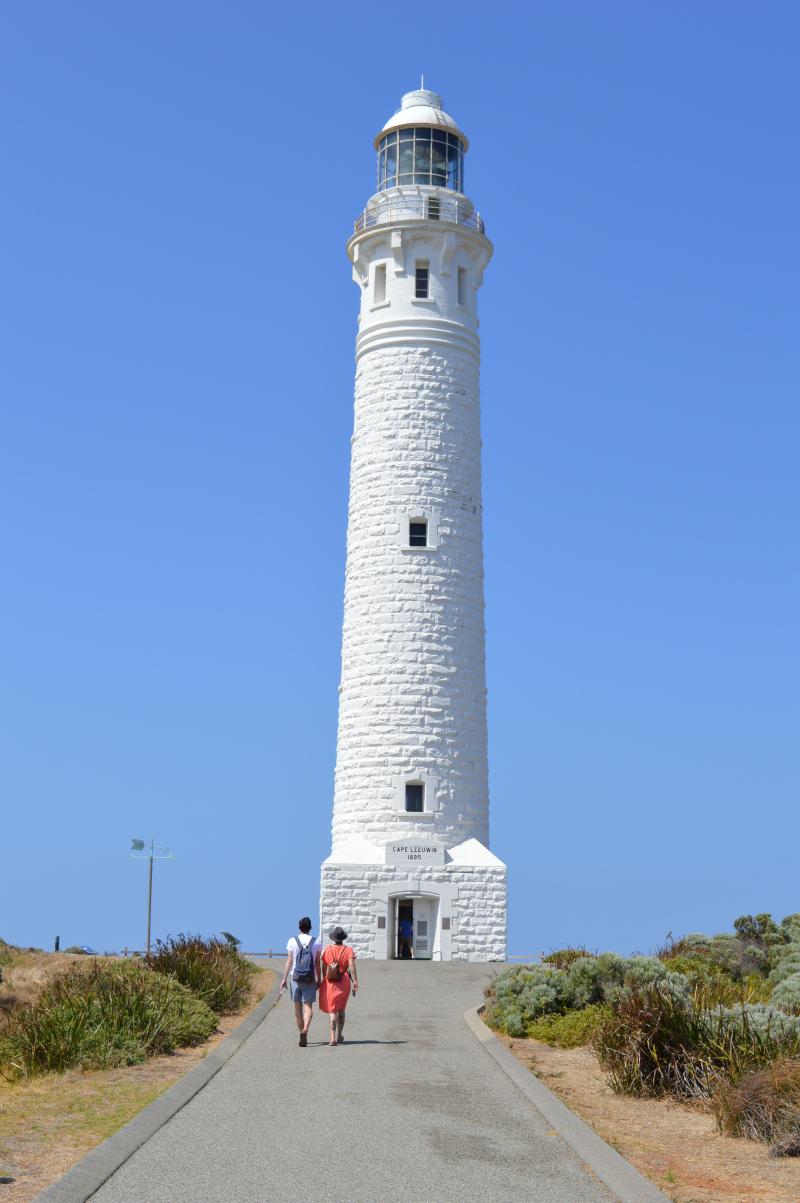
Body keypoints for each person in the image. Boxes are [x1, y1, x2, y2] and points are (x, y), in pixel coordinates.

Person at [280, 916, 322, 1047]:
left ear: (299, 927)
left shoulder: (292, 941)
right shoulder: (316, 942)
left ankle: (302, 1032)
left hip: (295, 978)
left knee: (297, 1009)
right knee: (308, 1007)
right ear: (310, 928)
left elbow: (290, 960)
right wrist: (319, 979)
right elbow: (317, 963)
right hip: (310, 978)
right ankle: (305, 1030)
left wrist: (284, 978)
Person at [318, 925, 357, 1046]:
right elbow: (351, 965)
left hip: (331, 981)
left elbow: (324, 966)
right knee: (341, 1009)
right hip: (344, 980)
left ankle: (332, 1037)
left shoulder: (327, 949)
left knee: (332, 1010)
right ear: (343, 938)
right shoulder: (348, 950)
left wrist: (324, 978)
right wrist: (355, 980)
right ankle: (340, 1035)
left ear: (333, 938)